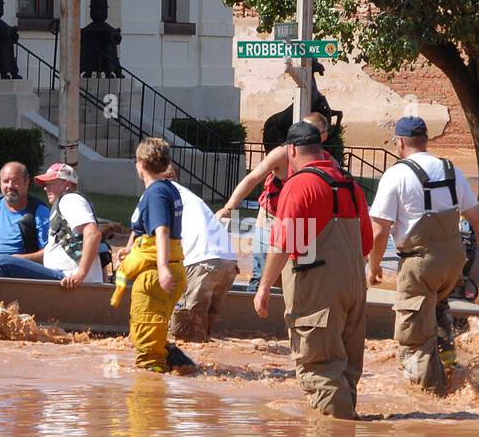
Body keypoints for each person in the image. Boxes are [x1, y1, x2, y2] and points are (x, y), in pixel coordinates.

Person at [366, 116, 479, 393]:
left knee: (414, 334)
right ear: (426, 141)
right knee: (439, 314)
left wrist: (374, 265)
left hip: (420, 263)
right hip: (453, 262)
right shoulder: (449, 169)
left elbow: (379, 231)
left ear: (400, 142)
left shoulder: (396, 174)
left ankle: (431, 397)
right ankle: (452, 375)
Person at [254, 122, 372, 419]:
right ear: (321, 149)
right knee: (345, 370)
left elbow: (284, 241)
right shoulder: (349, 183)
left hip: (319, 289)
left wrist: (265, 286)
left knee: (320, 369)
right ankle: (347, 436)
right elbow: (366, 242)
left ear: (291, 150)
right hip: (355, 287)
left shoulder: (300, 185)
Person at [216, 111, 333, 292]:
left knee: (299, 275)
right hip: (272, 219)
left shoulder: (328, 161)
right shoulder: (282, 153)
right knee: (261, 274)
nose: (305, 134)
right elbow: (252, 178)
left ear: (323, 136)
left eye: (312, 132)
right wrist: (228, 207)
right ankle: (253, 311)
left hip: (302, 224)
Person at [110, 140, 187, 371]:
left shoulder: (156, 194)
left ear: (140, 164)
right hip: (164, 270)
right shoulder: (165, 189)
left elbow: (161, 230)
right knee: (153, 332)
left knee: (147, 345)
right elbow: (145, 231)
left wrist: (162, 268)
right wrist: (130, 247)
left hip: (155, 275)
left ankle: (149, 398)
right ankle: (184, 368)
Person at [165, 169, 239, 342]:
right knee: (203, 335)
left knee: (184, 336)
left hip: (203, 262)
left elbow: (160, 235)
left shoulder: (160, 194)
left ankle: (189, 369)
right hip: (227, 262)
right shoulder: (190, 197)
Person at [24, 163, 105, 287]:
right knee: (7, 261)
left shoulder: (69, 200)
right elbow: (53, 250)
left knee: (3, 263)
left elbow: (93, 234)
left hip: (67, 278)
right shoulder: (65, 204)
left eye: (50, 183)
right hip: (66, 278)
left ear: (66, 184)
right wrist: (21, 259)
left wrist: (80, 275)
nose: (45, 188)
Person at [0, 162, 53, 280]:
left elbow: (50, 253)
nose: (10, 186)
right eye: (6, 181)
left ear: (26, 182)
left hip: (15, 275)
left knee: (2, 262)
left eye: (15, 181)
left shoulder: (39, 212)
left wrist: (19, 259)